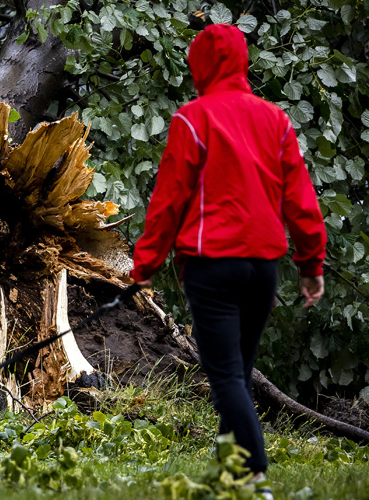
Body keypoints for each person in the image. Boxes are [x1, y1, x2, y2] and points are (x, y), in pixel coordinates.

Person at [129, 24, 327, 499]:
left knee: (224, 376)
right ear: (243, 62)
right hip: (263, 265)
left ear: (199, 65)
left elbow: (169, 201)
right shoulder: (274, 120)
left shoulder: (193, 119)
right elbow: (300, 199)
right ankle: (230, 473)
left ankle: (255, 474)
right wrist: (310, 264)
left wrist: (144, 267)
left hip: (212, 264)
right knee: (236, 372)